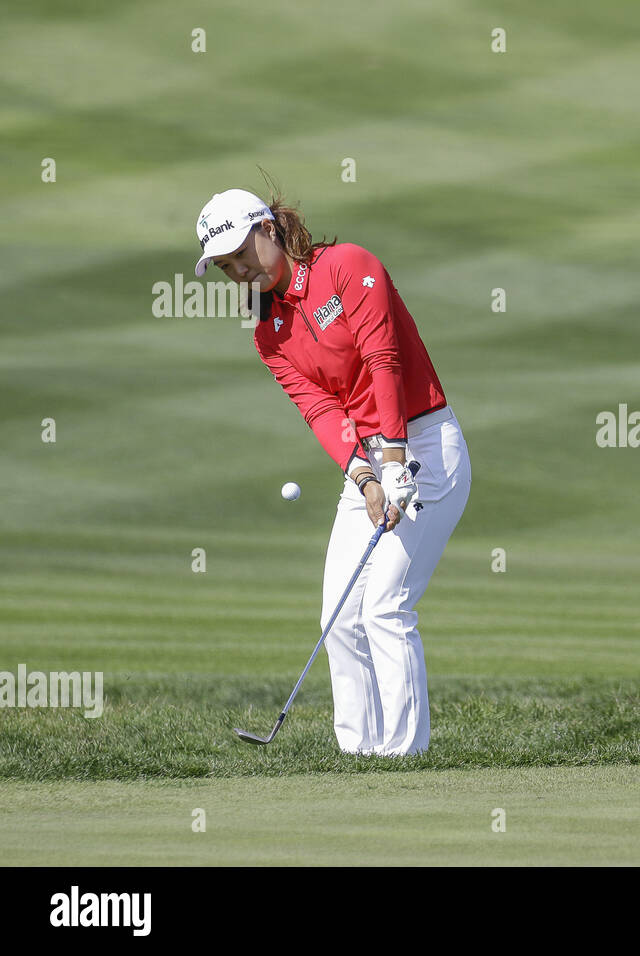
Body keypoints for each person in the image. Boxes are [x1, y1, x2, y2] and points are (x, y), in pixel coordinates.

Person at [193, 186, 471, 756]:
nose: (240, 271)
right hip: (369, 457)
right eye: (226, 267)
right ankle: (358, 757)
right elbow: (322, 409)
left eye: (242, 253)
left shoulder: (348, 267)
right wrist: (366, 476)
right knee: (340, 615)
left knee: (386, 604)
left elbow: (383, 359)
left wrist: (393, 460)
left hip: (427, 445)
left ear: (268, 229)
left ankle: (403, 756)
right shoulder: (269, 334)